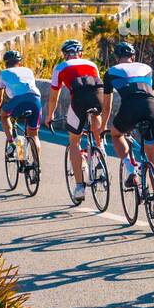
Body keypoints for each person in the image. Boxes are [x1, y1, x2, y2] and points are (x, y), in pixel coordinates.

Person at [45, 38, 104, 202]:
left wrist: (50, 115)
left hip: (78, 101)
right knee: (95, 114)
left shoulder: (60, 68)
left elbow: (53, 97)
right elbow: (96, 86)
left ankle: (79, 187)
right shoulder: (92, 65)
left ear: (65, 55)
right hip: (98, 98)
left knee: (74, 141)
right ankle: (100, 149)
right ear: (81, 54)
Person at [100, 41, 154, 189]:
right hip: (151, 107)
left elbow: (107, 106)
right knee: (153, 156)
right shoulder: (147, 68)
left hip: (129, 108)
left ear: (117, 58)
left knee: (116, 134)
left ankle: (130, 168)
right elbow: (148, 90)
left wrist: (103, 127)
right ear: (133, 57)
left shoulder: (111, 72)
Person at [0, 48, 41, 148]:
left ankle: (12, 143)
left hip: (18, 100)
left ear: (6, 64)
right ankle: (36, 163)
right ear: (20, 63)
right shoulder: (28, 70)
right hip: (35, 98)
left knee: (4, 115)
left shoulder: (2, 73)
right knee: (34, 135)